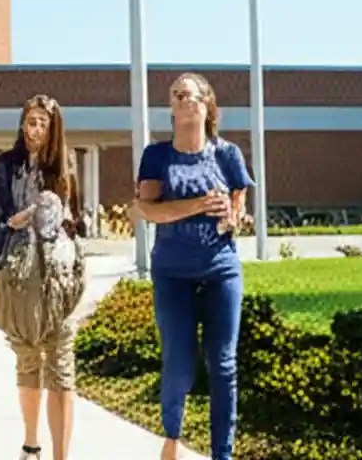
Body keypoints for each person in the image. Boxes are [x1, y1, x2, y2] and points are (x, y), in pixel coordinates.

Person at [134, 73, 253, 460]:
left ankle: (223, 454)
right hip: (172, 272)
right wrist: (199, 204)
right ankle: (172, 438)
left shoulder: (227, 155)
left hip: (221, 267)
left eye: (192, 94)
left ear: (207, 105)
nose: (185, 98)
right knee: (180, 362)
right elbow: (147, 209)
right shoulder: (157, 156)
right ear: (171, 107)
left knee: (223, 364)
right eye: (177, 94)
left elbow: (240, 206)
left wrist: (232, 216)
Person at [0, 94, 88, 460]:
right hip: (18, 271)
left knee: (61, 361)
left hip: (58, 272)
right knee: (27, 358)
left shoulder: (65, 164)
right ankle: (31, 445)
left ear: (53, 128)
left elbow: (73, 217)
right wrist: (29, 213)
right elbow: (4, 216)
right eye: (31, 120)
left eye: (44, 122)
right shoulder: (6, 164)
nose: (35, 128)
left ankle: (62, 454)